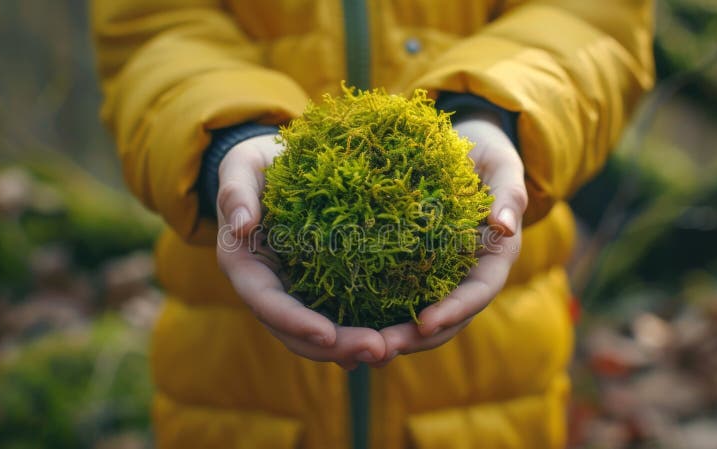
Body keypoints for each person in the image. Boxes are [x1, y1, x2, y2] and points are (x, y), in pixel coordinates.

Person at [92, 1, 654, 448]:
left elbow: (597, 20)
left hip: (493, 384)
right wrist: (227, 140)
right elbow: (152, 29)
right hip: (236, 378)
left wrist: (496, 111)